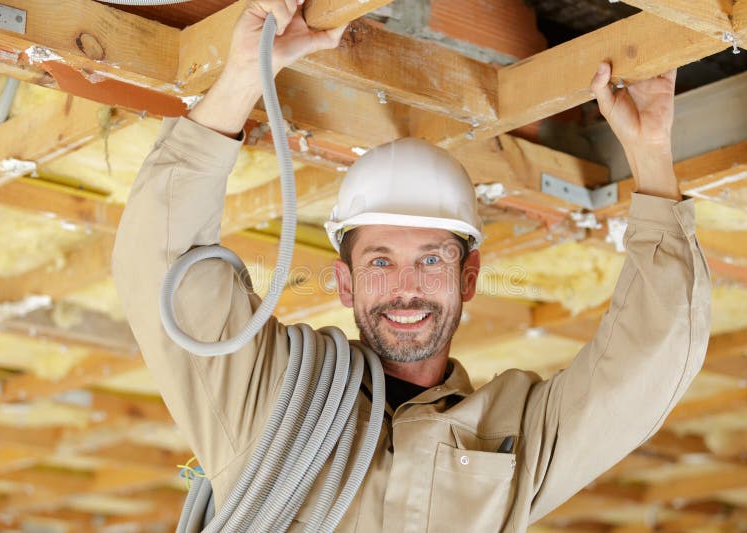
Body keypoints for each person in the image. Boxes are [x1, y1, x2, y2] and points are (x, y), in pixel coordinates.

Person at [112, 0, 711, 530]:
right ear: (346, 283)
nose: (406, 288)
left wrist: (651, 155)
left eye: (430, 258)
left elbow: (647, 363)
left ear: (467, 278)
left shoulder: (512, 438)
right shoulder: (264, 400)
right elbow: (162, 267)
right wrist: (244, 77)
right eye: (380, 261)